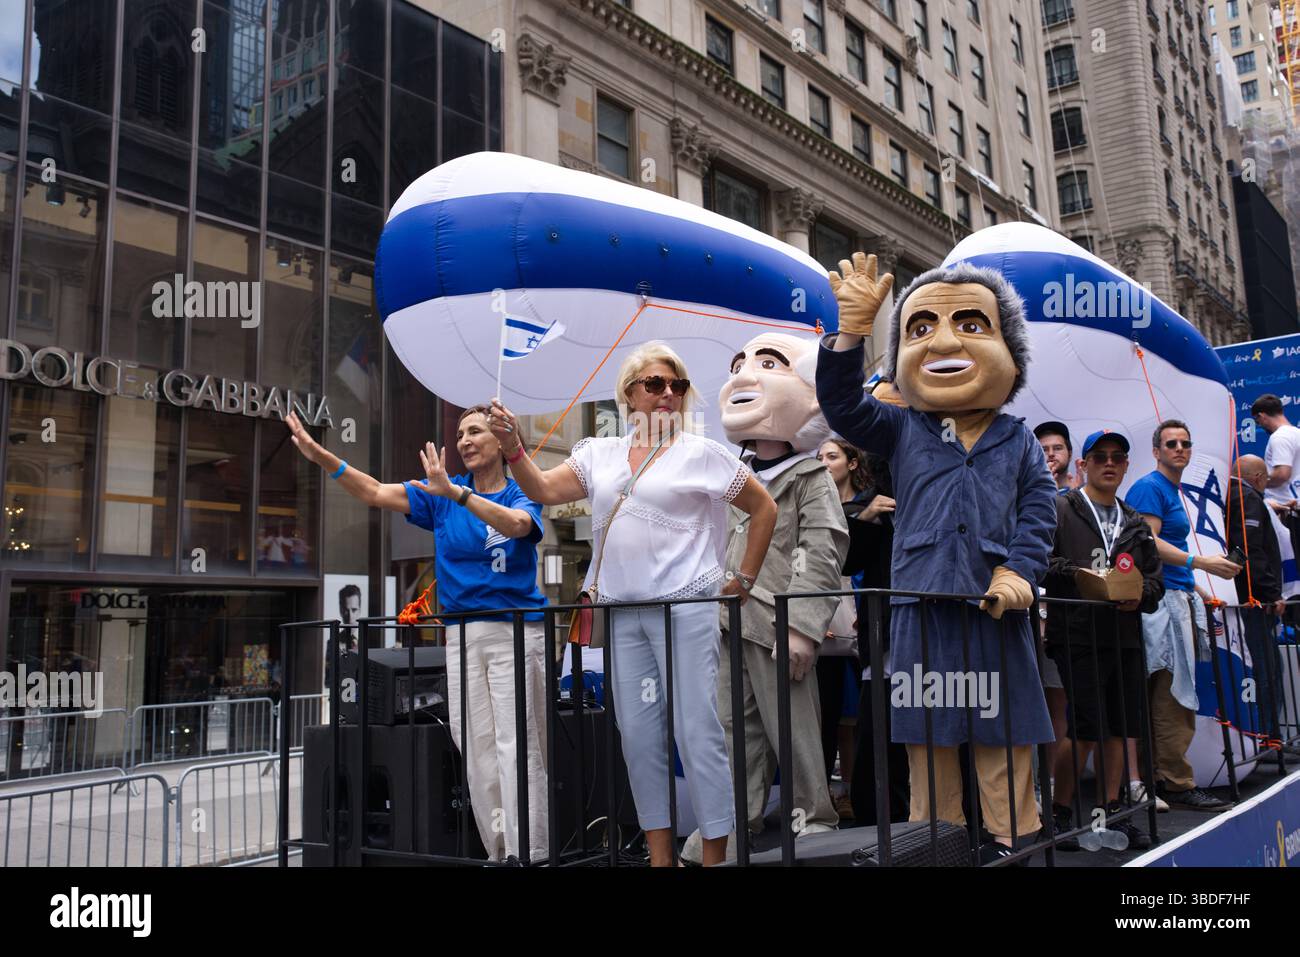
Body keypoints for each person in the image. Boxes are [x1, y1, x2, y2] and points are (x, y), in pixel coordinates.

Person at [489, 341, 778, 867]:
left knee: (697, 732)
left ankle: (717, 857)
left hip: (686, 609)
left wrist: (744, 577)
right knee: (640, 740)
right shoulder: (598, 453)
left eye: (678, 386)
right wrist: (513, 446)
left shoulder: (703, 451)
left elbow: (764, 507)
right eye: (655, 384)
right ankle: (660, 858)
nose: (668, 394)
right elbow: (543, 489)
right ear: (628, 394)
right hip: (622, 614)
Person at [816, 252, 1056, 864]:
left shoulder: (1020, 438)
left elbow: (1038, 513)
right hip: (921, 604)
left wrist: (1018, 573)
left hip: (995, 607)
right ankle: (937, 846)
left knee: (1003, 734)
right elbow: (842, 409)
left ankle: (1012, 842)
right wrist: (849, 335)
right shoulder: (903, 428)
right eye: (920, 329)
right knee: (929, 735)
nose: (943, 342)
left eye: (973, 325)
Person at [285, 405, 551, 862]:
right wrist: (321, 456)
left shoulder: (518, 491)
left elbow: (519, 526)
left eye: (476, 431)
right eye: (460, 432)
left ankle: (534, 852)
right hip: (460, 636)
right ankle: (500, 851)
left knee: (517, 744)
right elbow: (372, 491)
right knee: (478, 748)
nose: (464, 440)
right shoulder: (440, 494)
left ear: (503, 441)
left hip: (514, 633)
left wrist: (458, 495)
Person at [681, 332, 846, 862]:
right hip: (728, 621)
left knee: (793, 733)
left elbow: (823, 546)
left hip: (778, 623)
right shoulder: (734, 478)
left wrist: (801, 624)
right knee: (730, 733)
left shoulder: (811, 475)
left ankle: (814, 825)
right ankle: (727, 829)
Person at [1044, 430, 1163, 851]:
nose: (1109, 464)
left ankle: (1112, 814)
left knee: (1121, 726)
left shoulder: (1133, 521)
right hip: (1077, 632)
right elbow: (1041, 561)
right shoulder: (1061, 508)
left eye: (1117, 457)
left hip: (1124, 635)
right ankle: (1058, 814)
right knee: (1087, 726)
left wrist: (1137, 595)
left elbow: (1154, 581)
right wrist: (1085, 577)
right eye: (1100, 457)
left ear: (1127, 465)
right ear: (1084, 464)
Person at [1124, 419, 1240, 811]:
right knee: (1172, 693)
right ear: (1156, 451)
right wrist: (1201, 562)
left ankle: (1164, 778)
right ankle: (1171, 781)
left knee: (1175, 692)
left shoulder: (1169, 490)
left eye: (1185, 443)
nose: (1179, 449)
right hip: (1161, 603)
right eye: (1171, 443)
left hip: (1176, 595)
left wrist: (1197, 584)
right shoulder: (1150, 487)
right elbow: (1148, 542)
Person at [818, 438, 911, 826]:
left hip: (924, 631)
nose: (824, 463)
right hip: (876, 629)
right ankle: (873, 818)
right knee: (870, 728)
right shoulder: (871, 503)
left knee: (918, 731)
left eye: (832, 456)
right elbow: (841, 560)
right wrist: (866, 518)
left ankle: (934, 819)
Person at [1224, 454, 1293, 755]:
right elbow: (1251, 550)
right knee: (1265, 668)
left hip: (1247, 598)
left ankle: (1267, 736)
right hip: (1253, 601)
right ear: (1259, 478)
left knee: (1267, 667)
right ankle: (1268, 737)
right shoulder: (1247, 496)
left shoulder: (1236, 495)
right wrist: (1268, 593)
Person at [1250, 394, 1300, 505]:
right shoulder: (1297, 433)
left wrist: (1256, 482)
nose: (1260, 426)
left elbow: (1282, 474)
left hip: (1287, 507)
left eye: (1257, 422)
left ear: (1261, 416)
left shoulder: (1279, 437)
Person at [1035, 421, 1077, 495]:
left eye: (1057, 448)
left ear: (1070, 454)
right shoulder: (1025, 495)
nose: (1051, 454)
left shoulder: (1084, 493)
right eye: (1044, 450)